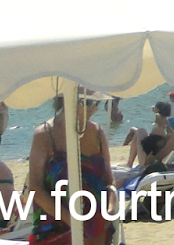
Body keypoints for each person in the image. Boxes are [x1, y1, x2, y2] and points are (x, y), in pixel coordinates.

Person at [28, 93, 114, 245]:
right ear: (69, 100)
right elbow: (35, 188)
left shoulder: (97, 133)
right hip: (55, 229)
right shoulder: (45, 135)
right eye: (89, 103)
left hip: (97, 229)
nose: (94, 109)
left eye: (97, 103)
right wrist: (70, 219)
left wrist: (111, 208)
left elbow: (109, 182)